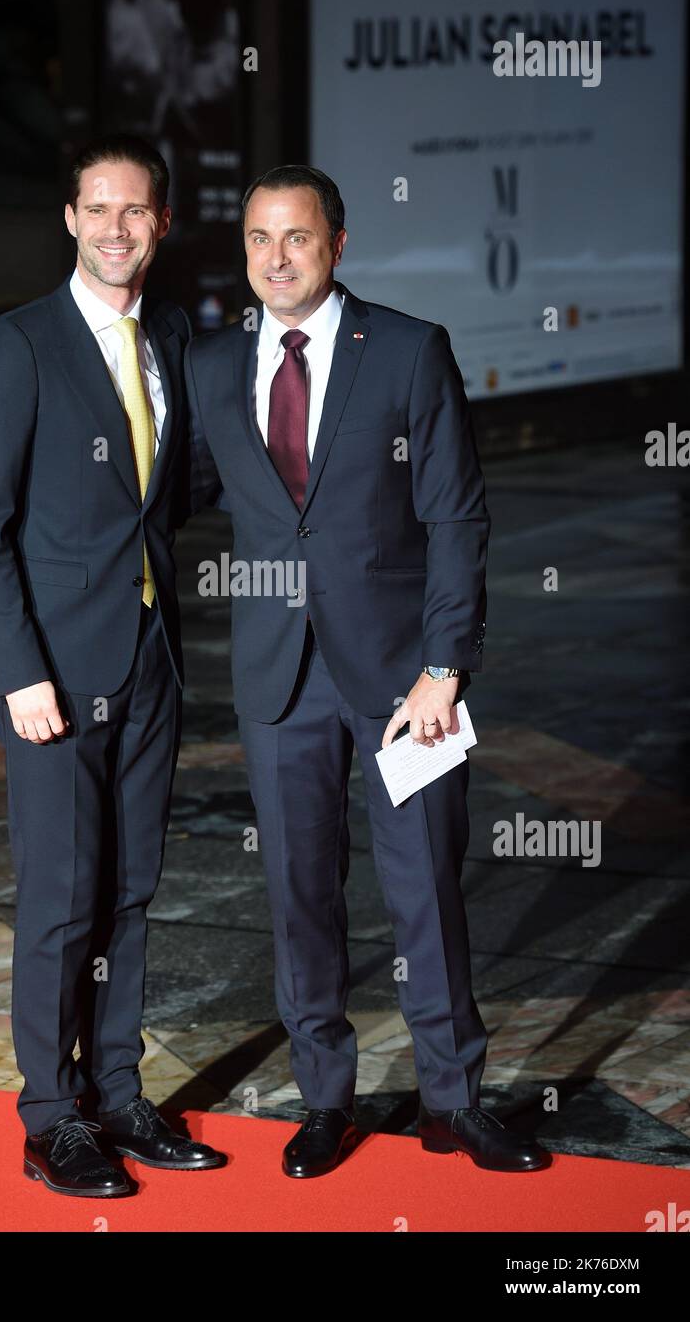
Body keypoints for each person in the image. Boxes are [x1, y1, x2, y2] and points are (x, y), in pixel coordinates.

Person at [184, 163, 550, 1178]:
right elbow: (183, 492)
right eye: (259, 238)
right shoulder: (214, 367)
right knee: (299, 890)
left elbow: (456, 516)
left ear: (338, 244)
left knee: (425, 883)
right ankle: (324, 1099)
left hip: (403, 678)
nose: (277, 257)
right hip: (275, 674)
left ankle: (453, 1099)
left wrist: (446, 665)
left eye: (297, 237)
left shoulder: (406, 349)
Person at [0, 135, 224, 1197]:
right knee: (62, 898)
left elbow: (171, 495)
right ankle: (49, 1116)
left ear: (160, 222)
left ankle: (118, 1092)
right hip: (52, 677)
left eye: (138, 211)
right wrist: (18, 668)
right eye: (98, 210)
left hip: (149, 660)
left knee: (133, 891)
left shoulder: (166, 333)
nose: (118, 229)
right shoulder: (18, 347)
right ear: (70, 218)